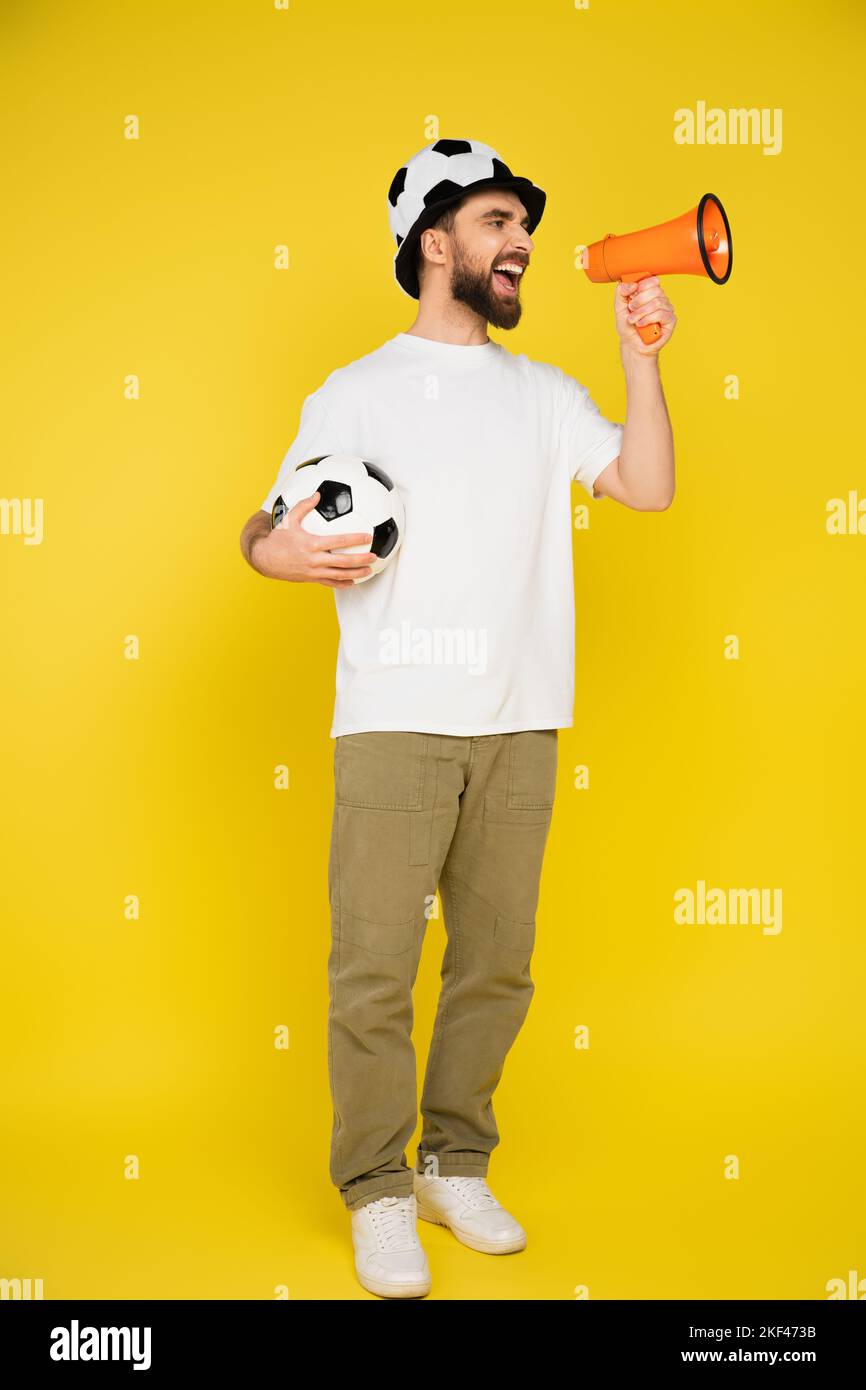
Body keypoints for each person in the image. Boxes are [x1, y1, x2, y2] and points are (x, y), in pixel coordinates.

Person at [239, 138, 676, 1299]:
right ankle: (377, 1190)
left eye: (519, 224)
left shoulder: (543, 395)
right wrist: (283, 550)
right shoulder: (353, 390)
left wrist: (638, 359)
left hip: (521, 720)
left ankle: (452, 1160)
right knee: (373, 969)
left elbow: (644, 484)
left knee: (495, 965)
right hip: (392, 719)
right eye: (494, 222)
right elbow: (263, 530)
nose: (518, 242)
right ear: (434, 243)